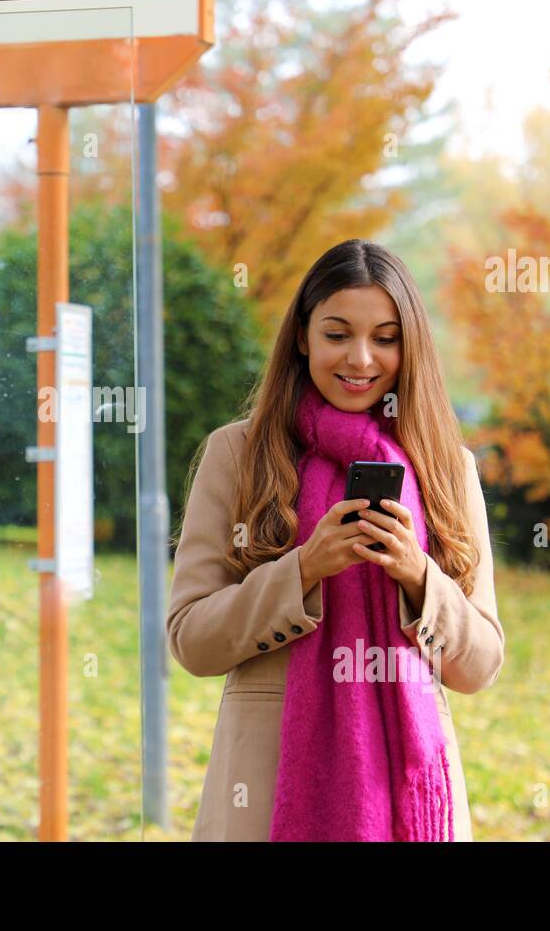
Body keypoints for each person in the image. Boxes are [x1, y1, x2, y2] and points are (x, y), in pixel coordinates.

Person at [167, 238, 504, 841]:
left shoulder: (446, 468)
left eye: (385, 337)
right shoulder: (238, 455)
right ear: (302, 336)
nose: (361, 358)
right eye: (337, 333)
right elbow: (192, 640)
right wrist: (301, 571)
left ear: (410, 345)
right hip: (265, 800)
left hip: (407, 795)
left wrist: (419, 576)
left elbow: (480, 665)